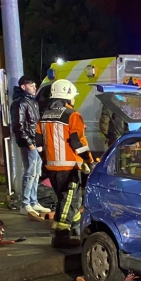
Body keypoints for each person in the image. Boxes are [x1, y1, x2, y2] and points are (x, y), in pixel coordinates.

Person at [37, 79, 95, 248]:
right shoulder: (73, 115)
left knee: (71, 201)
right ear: (67, 97)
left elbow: (39, 143)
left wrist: (45, 161)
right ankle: (61, 236)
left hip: (51, 168)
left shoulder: (45, 116)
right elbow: (78, 142)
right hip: (69, 168)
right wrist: (88, 160)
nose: (74, 100)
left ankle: (77, 230)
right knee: (67, 201)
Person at [9, 75, 51, 217]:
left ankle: (33, 201)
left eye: (34, 84)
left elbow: (35, 124)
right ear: (23, 87)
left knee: (36, 173)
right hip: (29, 144)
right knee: (30, 172)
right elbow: (18, 126)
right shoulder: (20, 103)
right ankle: (25, 203)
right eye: (31, 84)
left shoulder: (32, 102)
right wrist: (30, 143)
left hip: (35, 143)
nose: (34, 86)